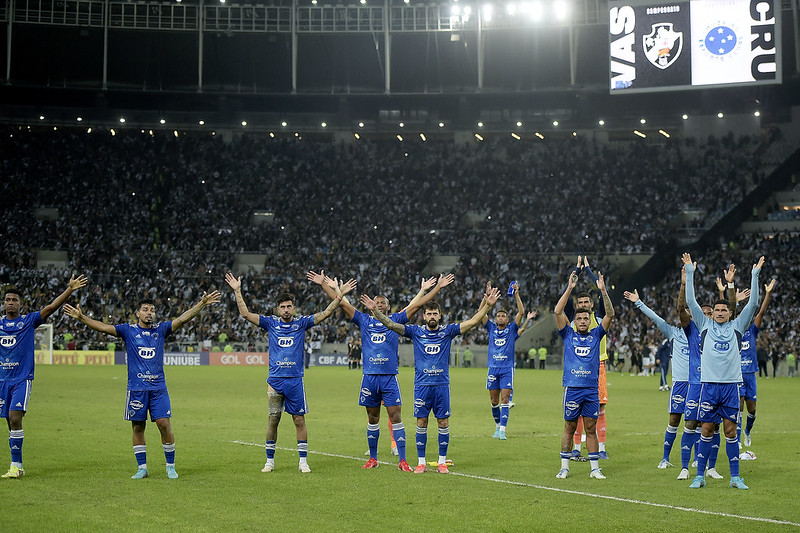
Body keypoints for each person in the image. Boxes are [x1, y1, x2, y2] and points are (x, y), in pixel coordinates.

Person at [64, 289, 220, 479]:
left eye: (152, 310)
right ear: (138, 313)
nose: (149, 313)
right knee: (138, 427)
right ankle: (142, 468)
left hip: (158, 389)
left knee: (164, 424)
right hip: (136, 389)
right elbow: (104, 327)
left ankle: (170, 466)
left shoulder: (160, 330)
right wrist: (82, 318)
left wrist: (201, 304)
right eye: (145, 309)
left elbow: (182, 319)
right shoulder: (128, 331)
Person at [307, 270, 453, 472]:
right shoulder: (363, 320)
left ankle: (402, 459)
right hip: (369, 377)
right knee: (372, 418)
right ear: (370, 306)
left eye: (383, 302)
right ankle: (373, 458)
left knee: (396, 417)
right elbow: (340, 303)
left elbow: (418, 305)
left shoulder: (396, 320)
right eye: (376, 302)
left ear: (388, 306)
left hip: (389, 378)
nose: (379, 304)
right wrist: (326, 285)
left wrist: (435, 288)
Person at [362, 283, 501, 474]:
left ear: (440, 316)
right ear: (424, 316)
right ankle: (421, 462)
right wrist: (375, 313)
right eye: (429, 314)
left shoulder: (448, 331)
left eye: (435, 313)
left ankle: (442, 462)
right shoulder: (416, 332)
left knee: (443, 423)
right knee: (421, 423)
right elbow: (391, 325)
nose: (432, 316)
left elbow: (473, 321)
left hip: (442, 385)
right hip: (422, 386)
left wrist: (488, 305)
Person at [226, 272, 355, 474]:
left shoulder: (301, 323)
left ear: (293, 308)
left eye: (289, 306)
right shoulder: (271, 323)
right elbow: (245, 314)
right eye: (282, 307)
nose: (286, 310)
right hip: (275, 381)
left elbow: (326, 313)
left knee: (299, 420)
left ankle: (303, 461)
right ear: (277, 309)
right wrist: (237, 291)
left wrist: (339, 295)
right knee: (273, 419)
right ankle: (270, 461)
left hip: (295, 381)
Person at [682, 253, 763, 490]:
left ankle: (735, 477)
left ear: (729, 313)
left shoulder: (738, 326)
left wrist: (754, 276)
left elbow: (754, 304)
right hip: (708, 386)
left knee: (730, 431)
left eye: (722, 310)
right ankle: (700, 476)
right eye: (716, 310)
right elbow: (691, 303)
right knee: (706, 429)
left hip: (730, 387)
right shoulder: (704, 324)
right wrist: (689, 272)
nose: (718, 313)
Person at [0, 275, 87, 479]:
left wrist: (69, 290)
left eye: (14, 300)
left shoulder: (28, 320)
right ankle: (18, 464)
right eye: (8, 300)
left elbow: (50, 308)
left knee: (14, 418)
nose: (11, 303)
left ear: (21, 304)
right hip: (2, 379)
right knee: (9, 421)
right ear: (3, 303)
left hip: (22, 378)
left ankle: (14, 465)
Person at [554, 267, 614, 480]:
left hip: (590, 389)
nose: (581, 321)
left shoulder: (597, 335)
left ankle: (595, 468)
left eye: (585, 319)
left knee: (590, 428)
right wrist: (569, 288)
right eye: (578, 318)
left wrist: (604, 291)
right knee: (569, 427)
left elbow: (610, 314)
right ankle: (564, 467)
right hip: (572, 388)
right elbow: (558, 312)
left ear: (589, 321)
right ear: (575, 321)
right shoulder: (567, 334)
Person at [566, 257, 611, 460]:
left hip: (598, 365)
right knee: (577, 410)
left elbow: (603, 292)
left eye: (586, 302)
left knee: (598, 408)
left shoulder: (598, 317)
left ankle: (601, 448)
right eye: (580, 303)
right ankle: (576, 447)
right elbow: (564, 299)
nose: (583, 305)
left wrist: (589, 270)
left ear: (592, 304)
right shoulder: (574, 320)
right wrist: (576, 269)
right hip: (576, 368)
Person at [480, 281, 524, 440]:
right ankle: (497, 426)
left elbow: (521, 312)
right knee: (493, 401)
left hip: (506, 369)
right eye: (498, 315)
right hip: (492, 368)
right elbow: (480, 314)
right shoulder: (491, 328)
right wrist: (486, 299)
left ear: (507, 319)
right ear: (495, 318)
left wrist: (517, 295)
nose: (500, 317)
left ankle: (503, 430)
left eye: (503, 315)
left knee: (505, 399)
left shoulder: (512, 329)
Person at [737, 278, 775, 447]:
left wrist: (767, 294)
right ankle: (736, 439)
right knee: (738, 408)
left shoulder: (751, 331)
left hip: (750, 375)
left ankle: (747, 431)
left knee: (752, 409)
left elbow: (760, 313)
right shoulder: (733, 332)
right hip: (737, 375)